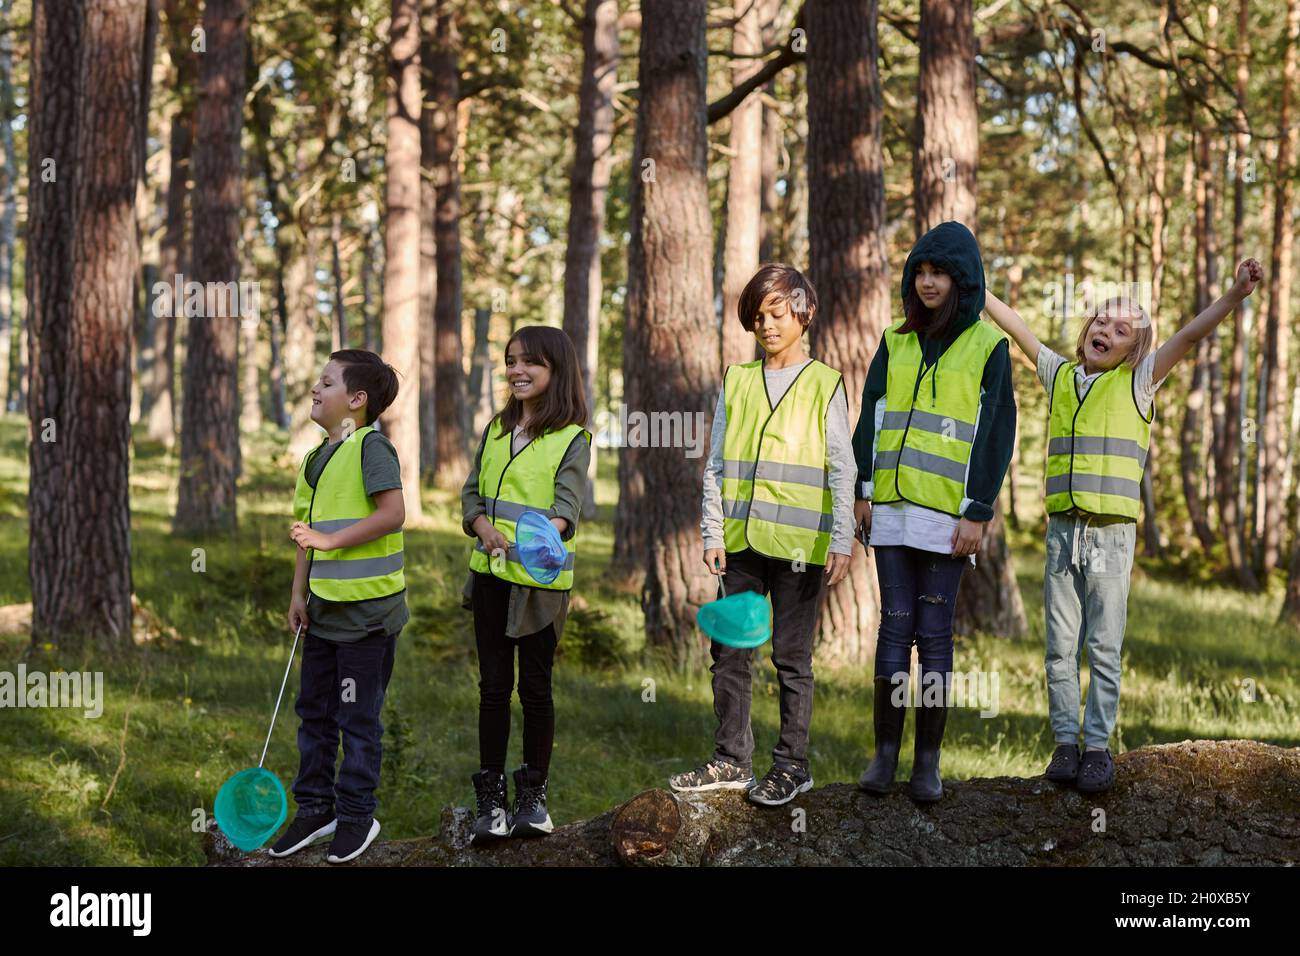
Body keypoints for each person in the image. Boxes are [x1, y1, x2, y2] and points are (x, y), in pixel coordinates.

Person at [983, 255, 1264, 792]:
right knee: (1060, 647)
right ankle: (1065, 744)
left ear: (1134, 349)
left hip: (1111, 536)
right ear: (1087, 329)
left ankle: (1097, 748)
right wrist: (979, 285)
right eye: (1102, 322)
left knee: (1104, 646)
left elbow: (1187, 337)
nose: (1107, 330)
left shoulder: (1139, 383)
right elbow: (1017, 327)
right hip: (1063, 533)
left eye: (1122, 328)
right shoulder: (1060, 376)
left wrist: (1231, 298)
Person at [671, 262, 855, 807]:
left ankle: (792, 766)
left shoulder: (826, 384)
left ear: (804, 312)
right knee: (730, 651)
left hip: (802, 548)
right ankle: (730, 761)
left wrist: (841, 539)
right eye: (757, 317)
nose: (767, 325)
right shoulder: (738, 379)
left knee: (792, 657)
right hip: (740, 543)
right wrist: (712, 533)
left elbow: (842, 468)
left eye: (776, 313)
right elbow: (718, 463)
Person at [853, 220, 1016, 802]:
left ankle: (927, 764)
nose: (927, 282)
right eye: (920, 271)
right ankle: (884, 758)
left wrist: (978, 511)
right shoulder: (894, 341)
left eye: (939, 272)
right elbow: (869, 417)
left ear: (963, 280)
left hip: (949, 519)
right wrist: (863, 490)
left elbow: (997, 433)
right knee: (894, 630)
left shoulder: (989, 347)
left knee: (935, 636)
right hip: (890, 511)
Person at [272, 349, 406, 863]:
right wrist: (297, 593)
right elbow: (307, 535)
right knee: (314, 714)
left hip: (368, 617)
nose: (315, 388)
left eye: (326, 383)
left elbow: (393, 514)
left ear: (356, 400)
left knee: (358, 718)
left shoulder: (372, 448)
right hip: (324, 614)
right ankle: (314, 809)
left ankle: (355, 817)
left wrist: (333, 543)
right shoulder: (315, 458)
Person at [461, 325, 591, 842]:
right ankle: (490, 799)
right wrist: (482, 526)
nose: (517, 369)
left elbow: (566, 509)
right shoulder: (495, 429)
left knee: (535, 689)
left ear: (556, 370)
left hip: (540, 585)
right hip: (490, 579)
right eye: (511, 360)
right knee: (493, 688)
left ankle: (533, 799)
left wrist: (536, 539)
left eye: (530, 362)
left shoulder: (571, 437)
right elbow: (471, 494)